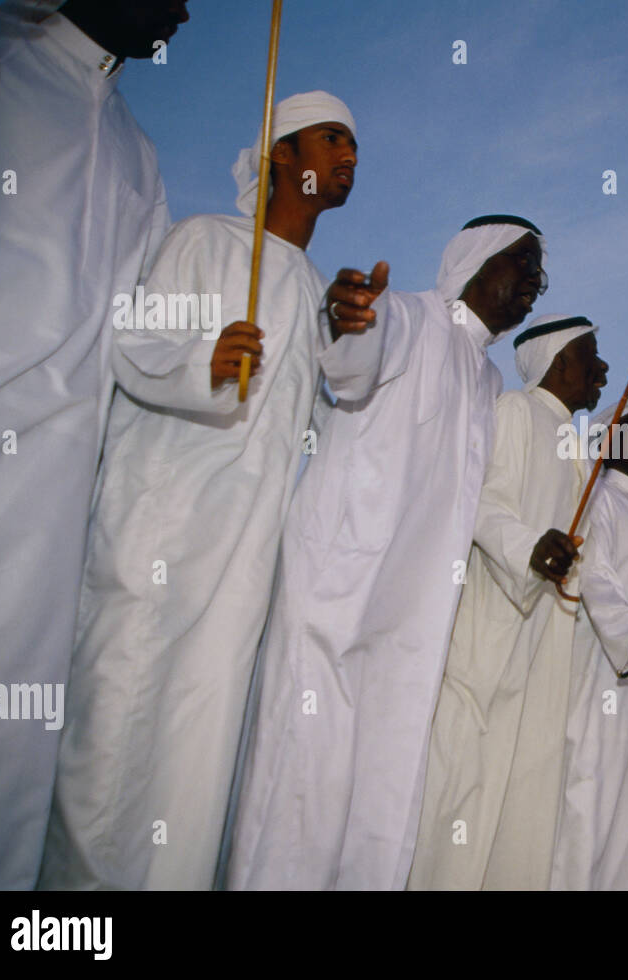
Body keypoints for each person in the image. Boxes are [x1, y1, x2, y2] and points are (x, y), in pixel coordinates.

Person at [39, 93, 360, 891]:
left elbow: (322, 430)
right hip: (158, 533)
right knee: (113, 737)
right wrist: (204, 362)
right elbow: (134, 341)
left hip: (245, 562)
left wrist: (350, 343)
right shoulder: (205, 241)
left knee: (199, 755)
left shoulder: (319, 290)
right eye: (331, 139)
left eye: (355, 145)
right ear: (282, 155)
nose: (349, 155)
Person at [228, 215, 547, 890]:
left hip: (414, 621)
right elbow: (351, 365)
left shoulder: (488, 382)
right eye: (521, 262)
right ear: (473, 261)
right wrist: (347, 321)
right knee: (302, 785)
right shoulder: (407, 316)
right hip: (342, 591)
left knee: (380, 791)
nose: (532, 281)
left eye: (538, 271)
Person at [0, 0, 188, 889]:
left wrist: (209, 356)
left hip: (45, 493)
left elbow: (139, 332)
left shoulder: (140, 152)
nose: (182, 9)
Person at [409, 315, 607, 890]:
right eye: (591, 354)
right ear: (558, 361)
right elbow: (482, 501)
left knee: (526, 798)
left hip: (546, 646)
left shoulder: (575, 447)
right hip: (492, 633)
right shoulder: (516, 413)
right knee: (464, 789)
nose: (604, 368)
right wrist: (530, 547)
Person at [550, 397, 628, 890]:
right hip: (598, 666)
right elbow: (593, 574)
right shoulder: (596, 495)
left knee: (626, 812)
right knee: (586, 798)